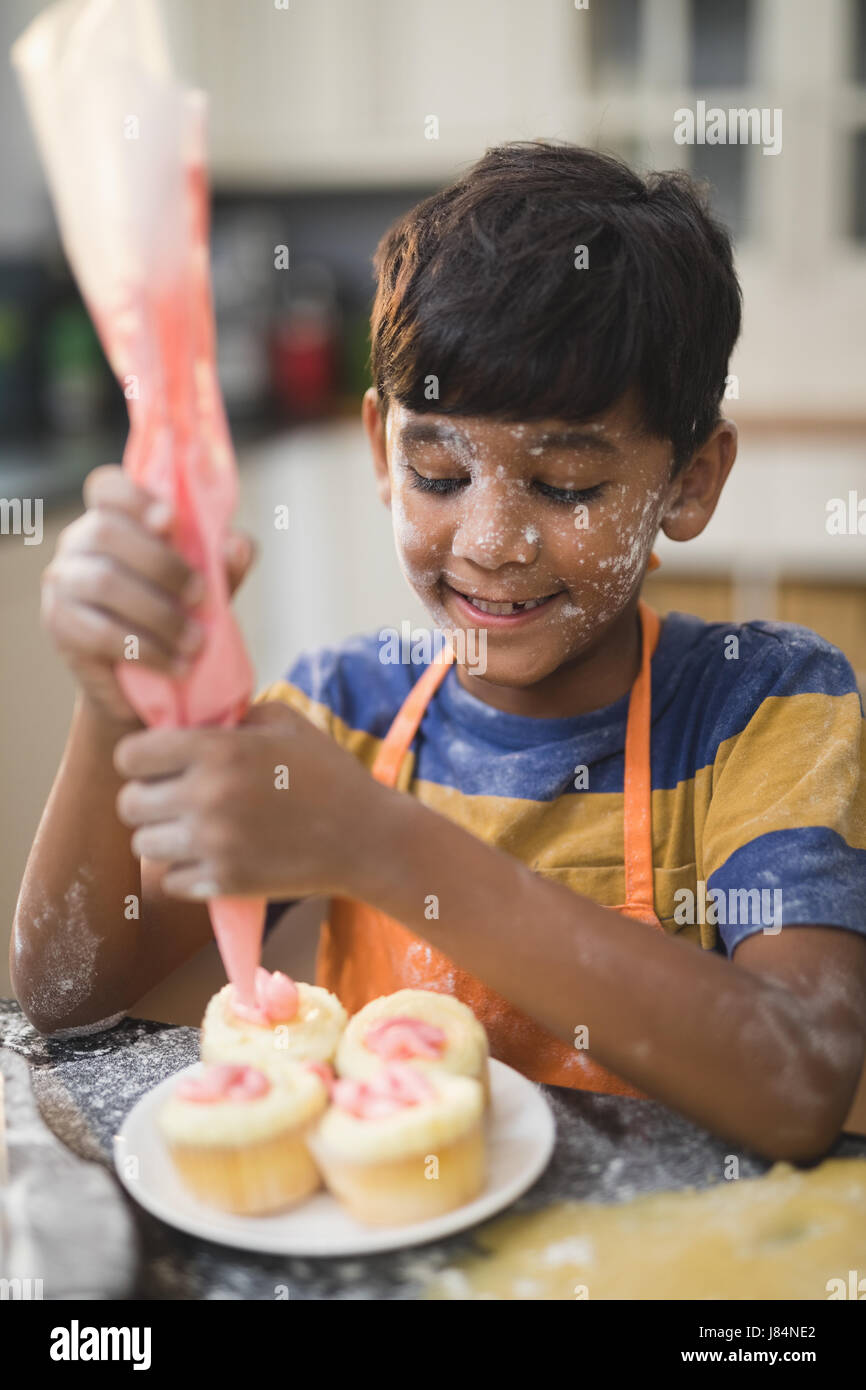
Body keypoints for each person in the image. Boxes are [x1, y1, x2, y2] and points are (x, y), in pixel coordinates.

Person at [12, 142, 866, 1159]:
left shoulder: (762, 709)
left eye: (565, 485)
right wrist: (112, 701)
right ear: (381, 450)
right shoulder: (339, 712)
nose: (490, 542)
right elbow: (66, 990)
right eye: (437, 472)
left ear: (686, 479)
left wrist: (378, 843)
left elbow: (797, 1082)